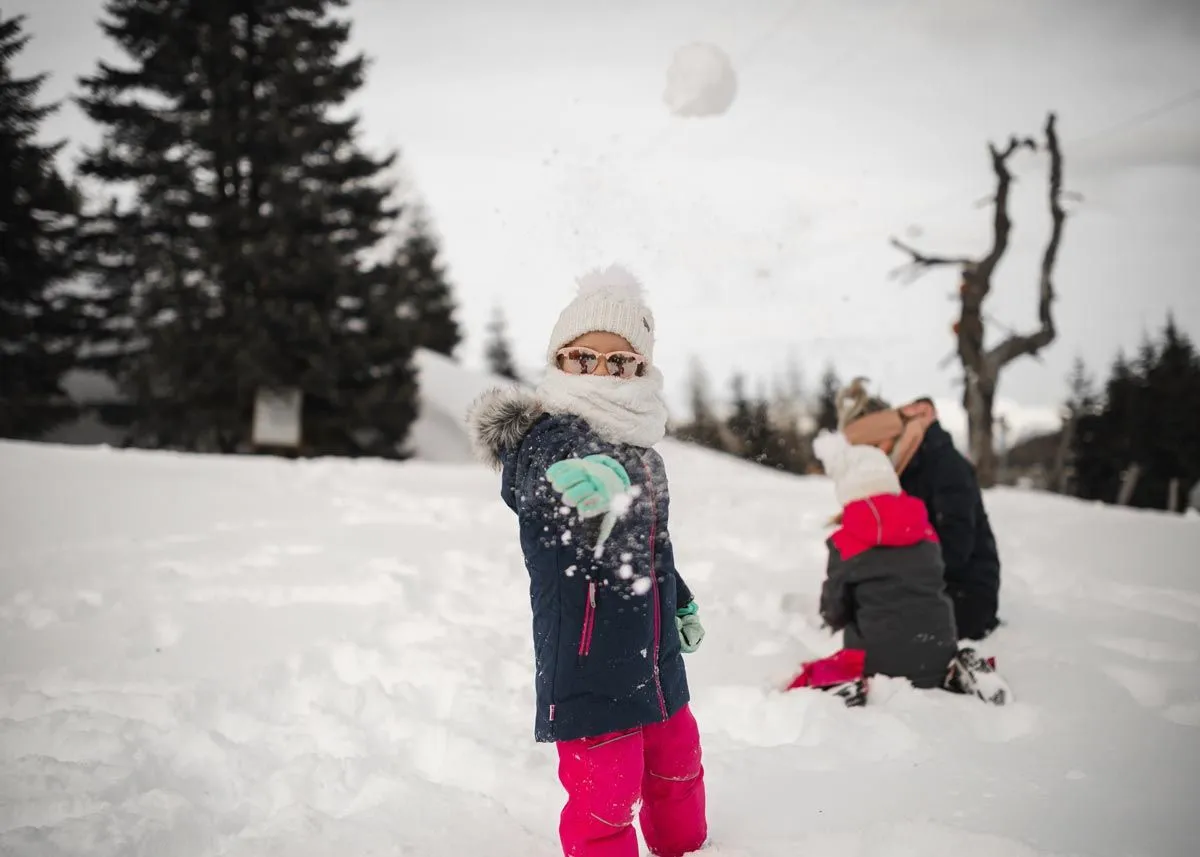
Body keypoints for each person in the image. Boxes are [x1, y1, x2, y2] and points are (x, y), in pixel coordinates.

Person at [467, 265, 708, 857]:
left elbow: (651, 545)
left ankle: (690, 849)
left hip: (654, 654)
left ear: (641, 371)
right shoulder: (549, 436)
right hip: (588, 656)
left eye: (619, 362)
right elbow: (539, 488)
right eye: (583, 358)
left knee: (678, 765)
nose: (601, 372)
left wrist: (676, 597)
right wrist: (588, 482)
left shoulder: (643, 451)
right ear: (559, 362)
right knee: (605, 797)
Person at [837, 382, 1002, 641]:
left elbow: (955, 550)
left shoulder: (946, 467)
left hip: (965, 596)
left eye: (875, 446)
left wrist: (891, 573)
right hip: (927, 587)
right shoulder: (899, 470)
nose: (874, 456)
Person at [811, 431, 960, 690]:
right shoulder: (926, 532)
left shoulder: (845, 543)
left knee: (810, 674)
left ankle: (845, 686)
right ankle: (960, 671)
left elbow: (834, 610)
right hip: (938, 653)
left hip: (876, 666)